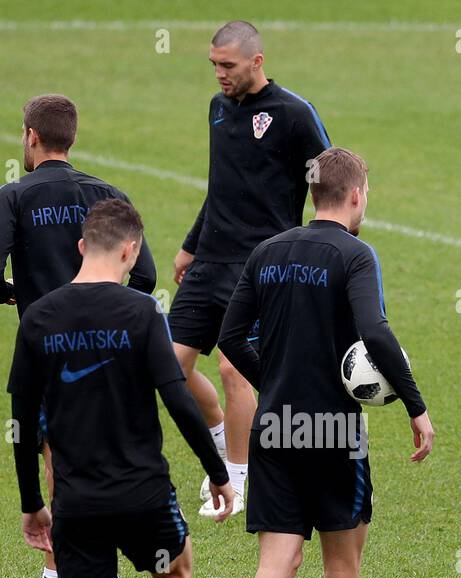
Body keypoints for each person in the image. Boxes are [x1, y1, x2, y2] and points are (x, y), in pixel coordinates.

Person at [7, 198, 234, 578]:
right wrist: (218, 472)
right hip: (141, 492)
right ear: (131, 252)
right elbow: (181, 401)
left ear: (82, 246)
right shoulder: (141, 311)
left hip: (74, 501)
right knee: (176, 573)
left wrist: (33, 503)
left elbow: (24, 423)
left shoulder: (41, 318)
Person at [218, 147, 434, 578]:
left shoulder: (268, 251)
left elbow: (231, 334)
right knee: (343, 560)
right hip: (335, 433)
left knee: (275, 564)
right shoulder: (356, 255)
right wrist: (415, 406)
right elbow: (375, 333)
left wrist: (275, 381)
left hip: (274, 428)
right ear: (357, 194)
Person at [0, 93, 152, 578]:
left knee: (64, 474)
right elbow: (144, 276)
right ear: (71, 137)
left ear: (30, 137)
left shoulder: (14, 195)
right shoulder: (106, 195)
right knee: (81, 465)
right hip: (107, 350)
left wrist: (14, 294)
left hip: (49, 355)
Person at [170, 19, 332, 518]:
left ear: (257, 62)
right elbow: (222, 184)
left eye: (228, 66)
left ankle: (237, 479)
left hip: (262, 265)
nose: (219, 74)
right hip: (210, 260)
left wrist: (337, 248)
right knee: (167, 362)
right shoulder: (218, 109)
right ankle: (221, 438)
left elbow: (330, 180)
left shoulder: (293, 114)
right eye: (214, 65)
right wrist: (191, 245)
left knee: (233, 365)